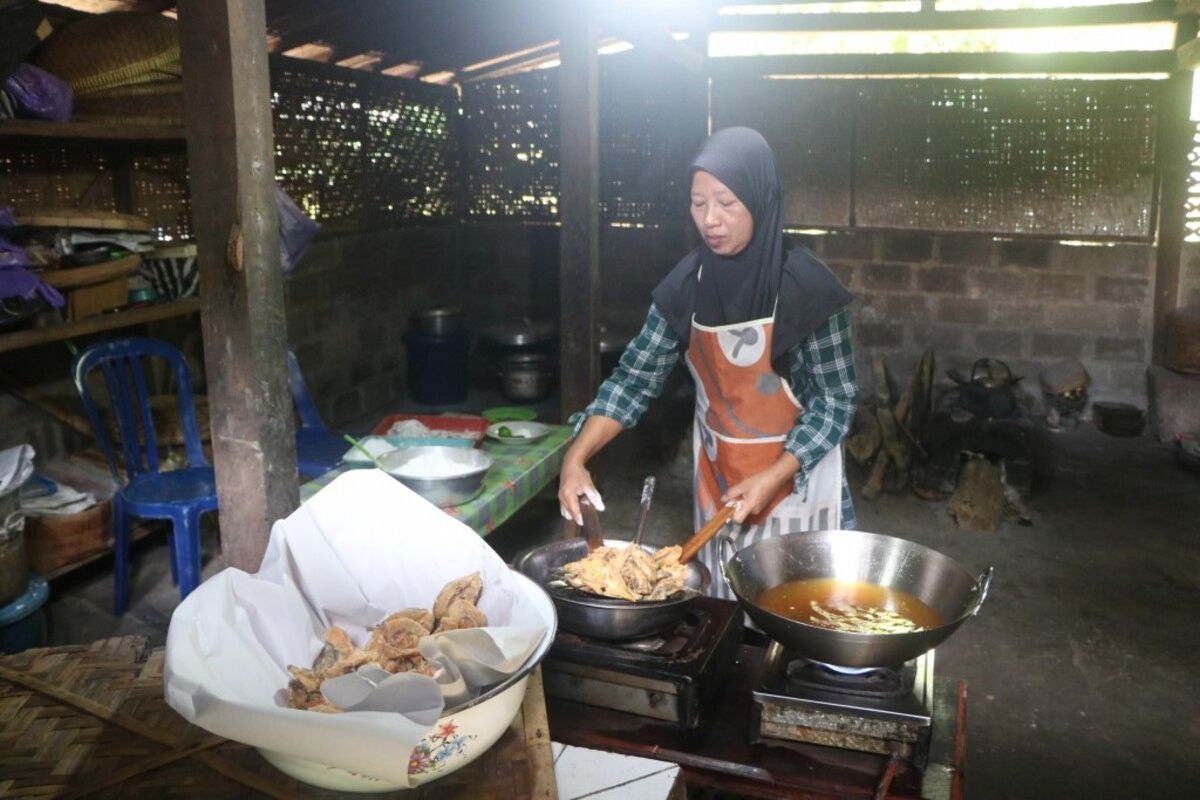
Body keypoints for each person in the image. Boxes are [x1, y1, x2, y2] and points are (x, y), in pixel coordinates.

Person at [557, 127, 858, 600]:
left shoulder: (808, 290)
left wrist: (776, 473)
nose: (711, 220)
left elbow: (836, 400)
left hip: (796, 482)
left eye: (726, 203)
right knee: (722, 611)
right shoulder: (687, 285)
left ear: (759, 199)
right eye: (698, 204)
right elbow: (633, 381)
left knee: (801, 609)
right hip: (719, 478)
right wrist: (576, 458)